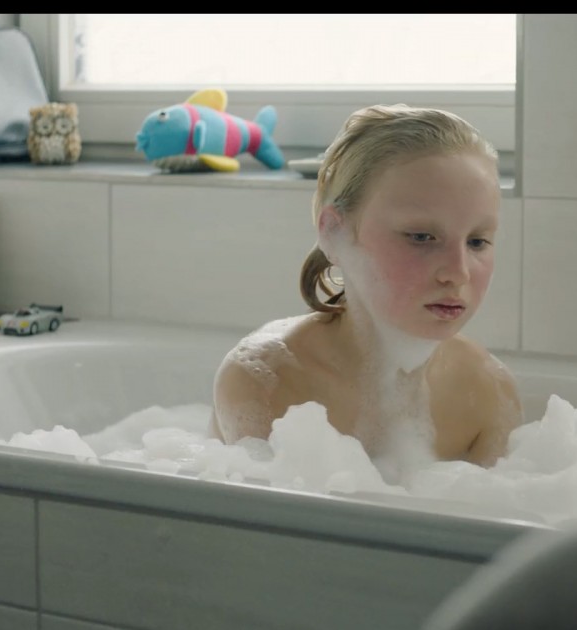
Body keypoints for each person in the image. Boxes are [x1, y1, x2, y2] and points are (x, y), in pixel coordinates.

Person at [210, 104, 522, 484]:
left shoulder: (488, 392)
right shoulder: (269, 381)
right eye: (422, 237)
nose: (457, 272)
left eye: (477, 241)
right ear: (335, 233)